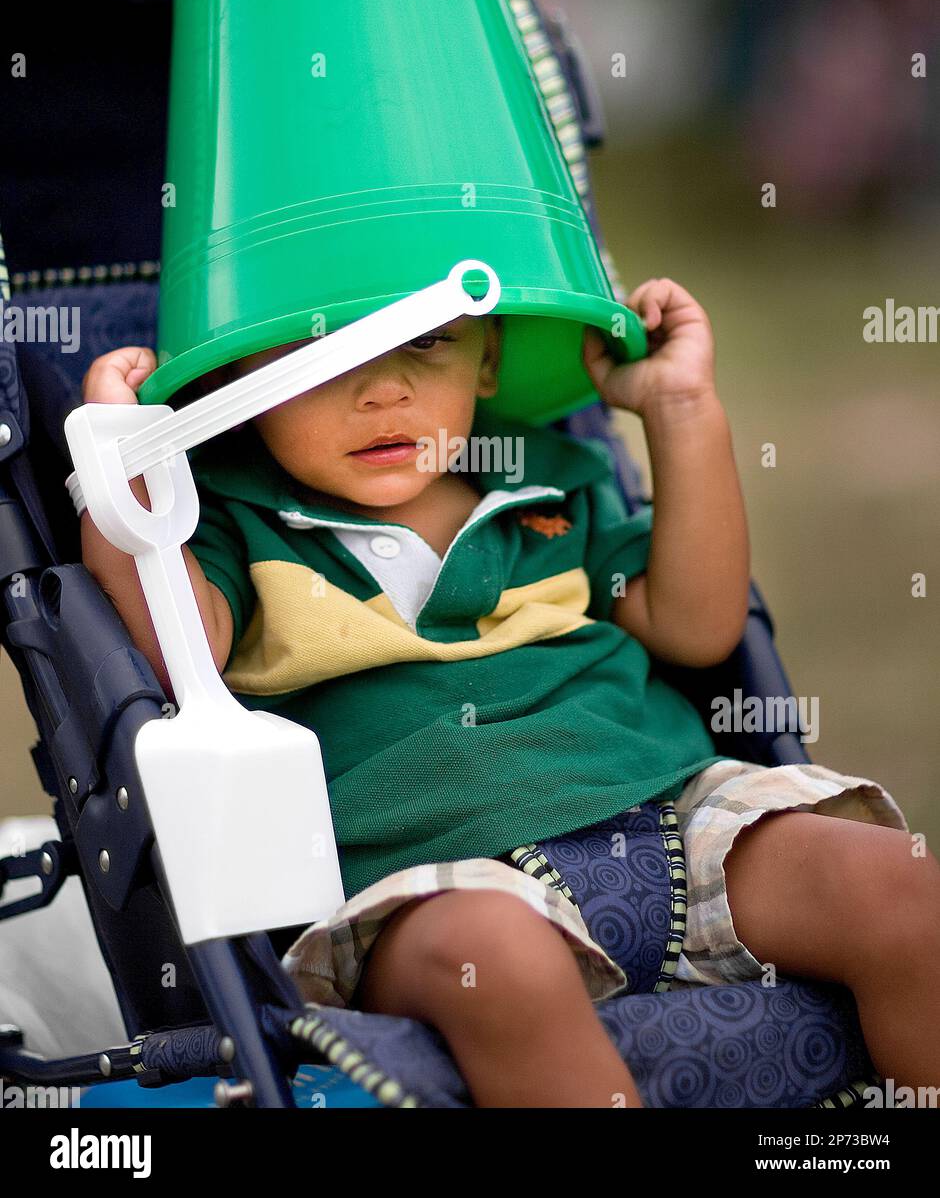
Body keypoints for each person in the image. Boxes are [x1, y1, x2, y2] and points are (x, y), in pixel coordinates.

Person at [79, 277, 936, 1108]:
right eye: (318, 351)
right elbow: (170, 661)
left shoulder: (547, 479)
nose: (383, 390)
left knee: (900, 887)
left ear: (486, 362)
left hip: (667, 805)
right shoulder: (225, 512)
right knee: (501, 968)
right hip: (428, 873)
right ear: (237, 380)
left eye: (426, 341)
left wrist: (680, 411)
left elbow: (698, 626)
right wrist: (127, 481)